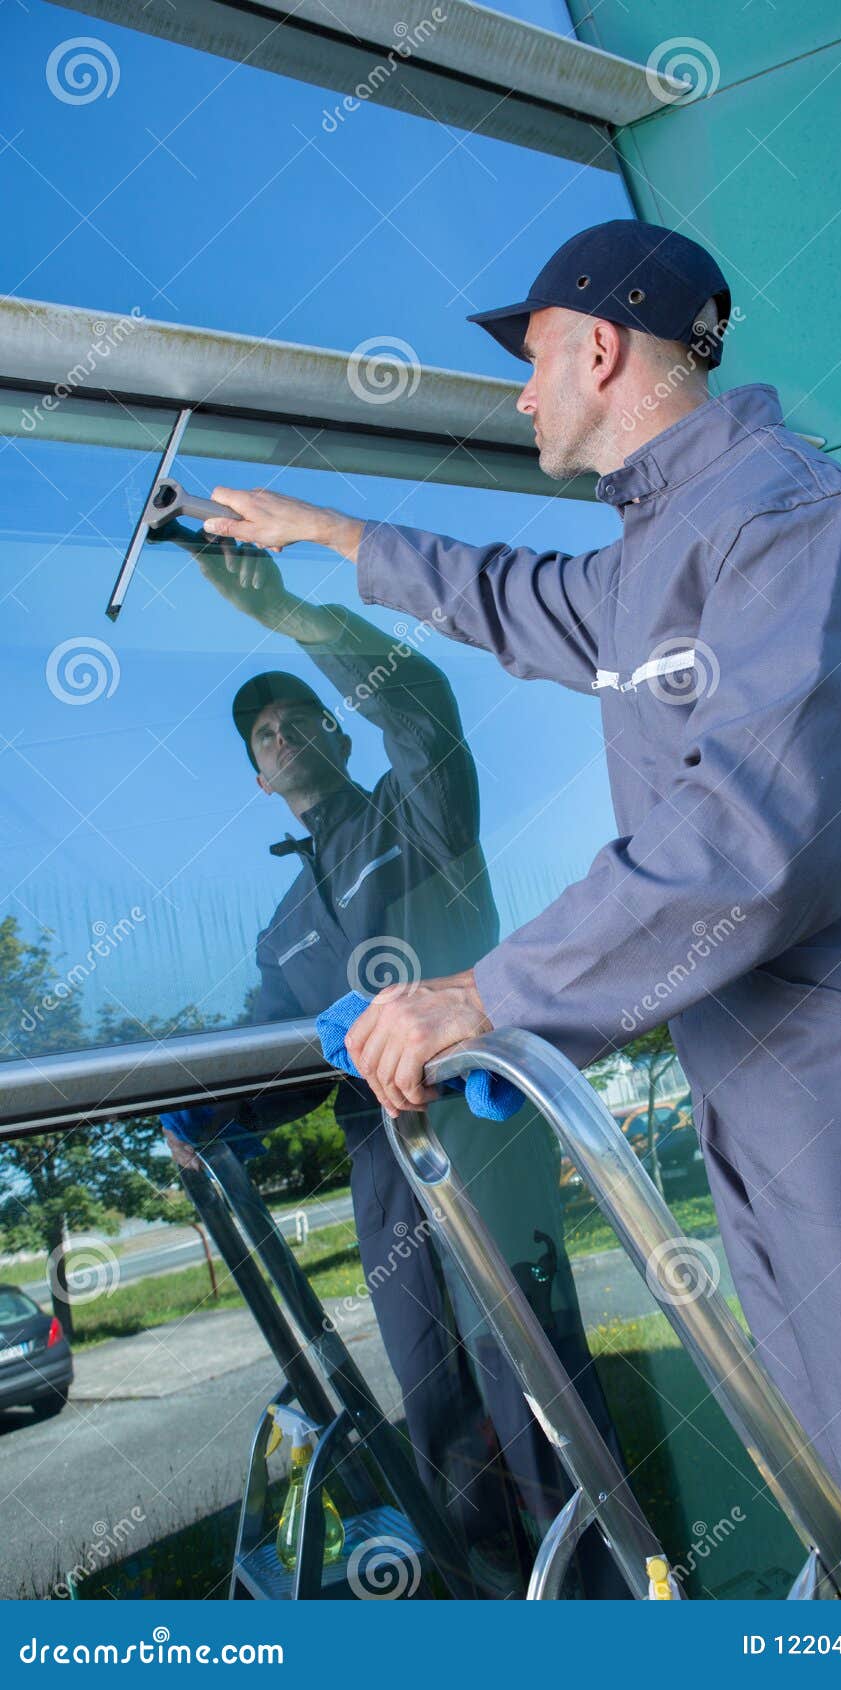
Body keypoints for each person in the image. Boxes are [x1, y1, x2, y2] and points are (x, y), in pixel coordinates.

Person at [201, 218, 841, 1601]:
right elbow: (507, 597)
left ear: (599, 348)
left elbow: (753, 838)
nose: (522, 395)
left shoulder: (783, 517)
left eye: (533, 359)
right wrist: (332, 537)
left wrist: (489, 993)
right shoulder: (655, 547)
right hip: (752, 1080)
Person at [160, 524, 626, 1595]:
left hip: (478, 1135)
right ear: (258, 776)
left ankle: (600, 1604)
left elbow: (420, 704)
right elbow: (275, 1070)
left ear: (336, 726)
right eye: (263, 733)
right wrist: (205, 1110)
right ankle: (487, 1605)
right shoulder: (282, 929)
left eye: (297, 716)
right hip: (381, 1167)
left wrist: (289, 614)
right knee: (435, 1399)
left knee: (531, 1380)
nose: (283, 734)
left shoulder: (416, 817)